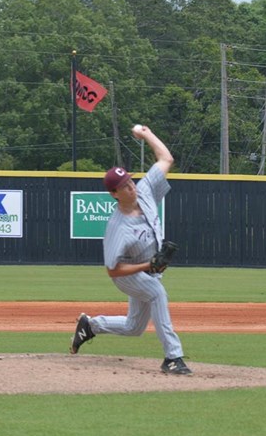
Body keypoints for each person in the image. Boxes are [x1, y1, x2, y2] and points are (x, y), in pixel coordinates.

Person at [69, 124, 191, 375]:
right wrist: (147, 266)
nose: (131, 187)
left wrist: (145, 134)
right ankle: (172, 357)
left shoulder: (144, 192)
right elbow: (113, 270)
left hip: (150, 270)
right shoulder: (118, 227)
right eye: (124, 186)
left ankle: (91, 325)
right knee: (157, 293)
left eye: (130, 181)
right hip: (129, 275)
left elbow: (166, 158)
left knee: (134, 327)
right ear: (114, 193)